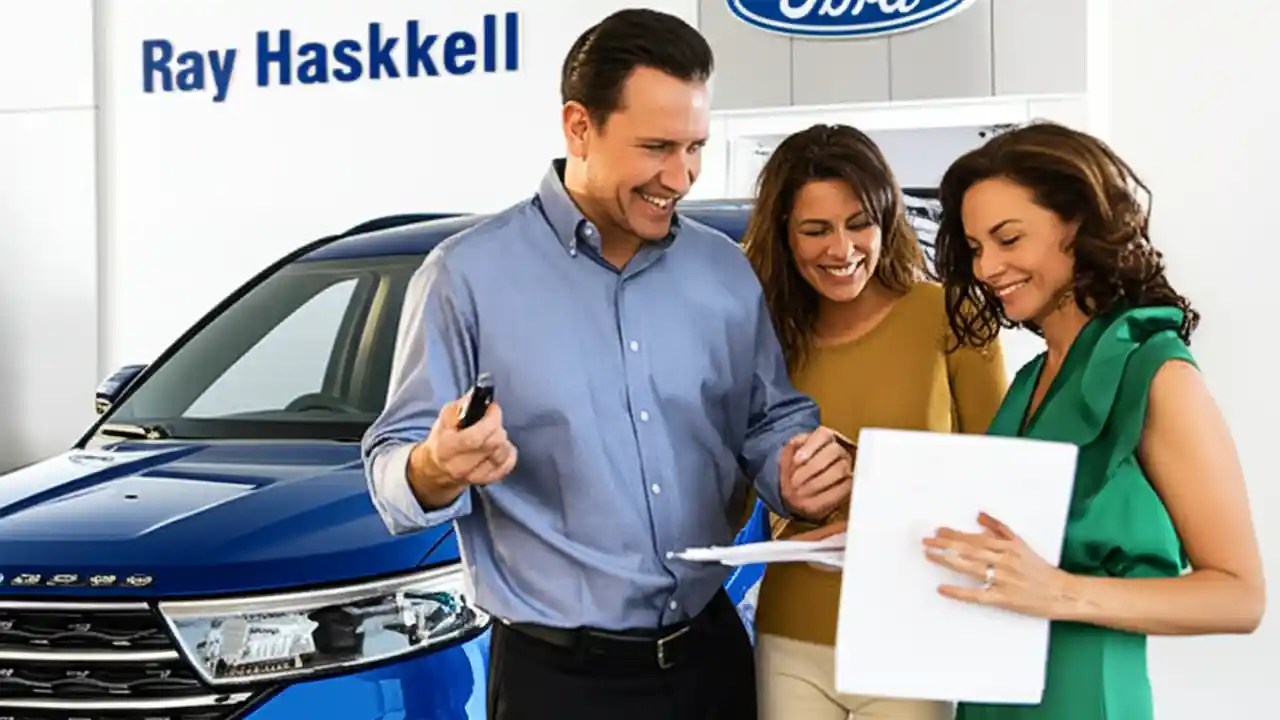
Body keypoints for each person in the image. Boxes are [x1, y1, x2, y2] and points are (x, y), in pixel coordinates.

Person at [361, 9, 854, 720]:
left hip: (710, 663)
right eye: (657, 147)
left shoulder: (724, 273)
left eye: (695, 147)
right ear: (578, 127)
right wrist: (435, 466)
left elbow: (768, 419)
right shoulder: (465, 277)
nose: (680, 176)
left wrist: (793, 473)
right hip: (556, 684)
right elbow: (389, 467)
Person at [922, 121, 1265, 719]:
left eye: (1008, 238)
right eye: (977, 248)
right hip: (990, 698)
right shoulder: (1029, 381)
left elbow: (1240, 597)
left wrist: (1060, 592)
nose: (986, 267)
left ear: (1077, 224)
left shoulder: (1155, 373)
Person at [741, 123, 1009, 719]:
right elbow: (731, 494)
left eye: (859, 222)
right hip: (791, 637)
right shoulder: (762, 337)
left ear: (887, 216)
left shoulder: (951, 315)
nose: (842, 250)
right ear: (783, 237)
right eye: (816, 230)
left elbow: (1001, 481)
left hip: (913, 637)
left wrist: (885, 492)